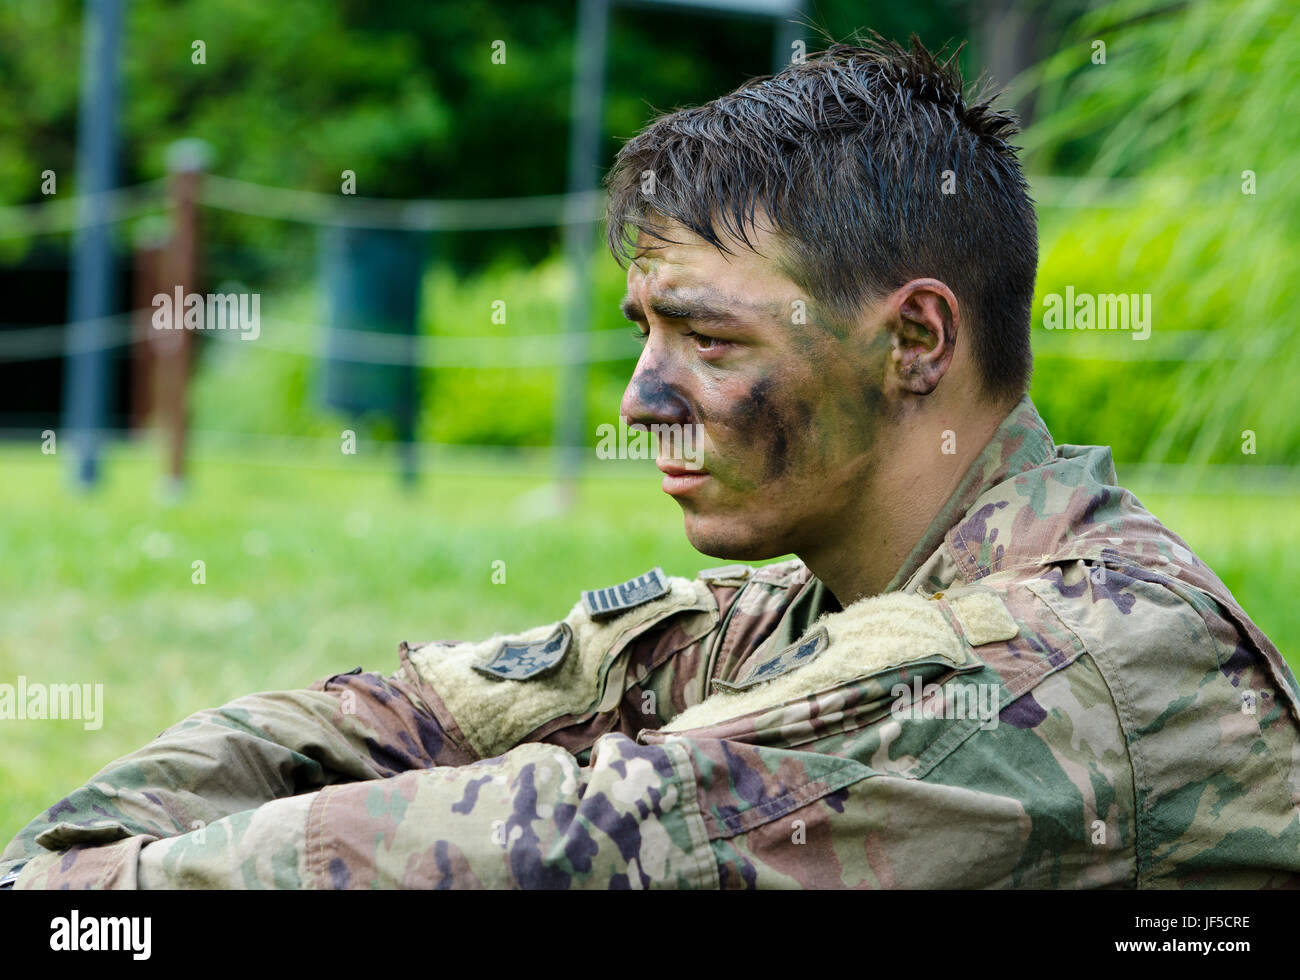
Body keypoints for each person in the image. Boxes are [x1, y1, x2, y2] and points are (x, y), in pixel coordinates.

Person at [3, 35, 1298, 890]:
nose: (642, 398)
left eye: (709, 337)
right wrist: (64, 866)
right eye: (645, 332)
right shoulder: (807, 611)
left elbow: (580, 847)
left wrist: (98, 900)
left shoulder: (1051, 659)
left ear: (914, 339)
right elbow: (393, 723)